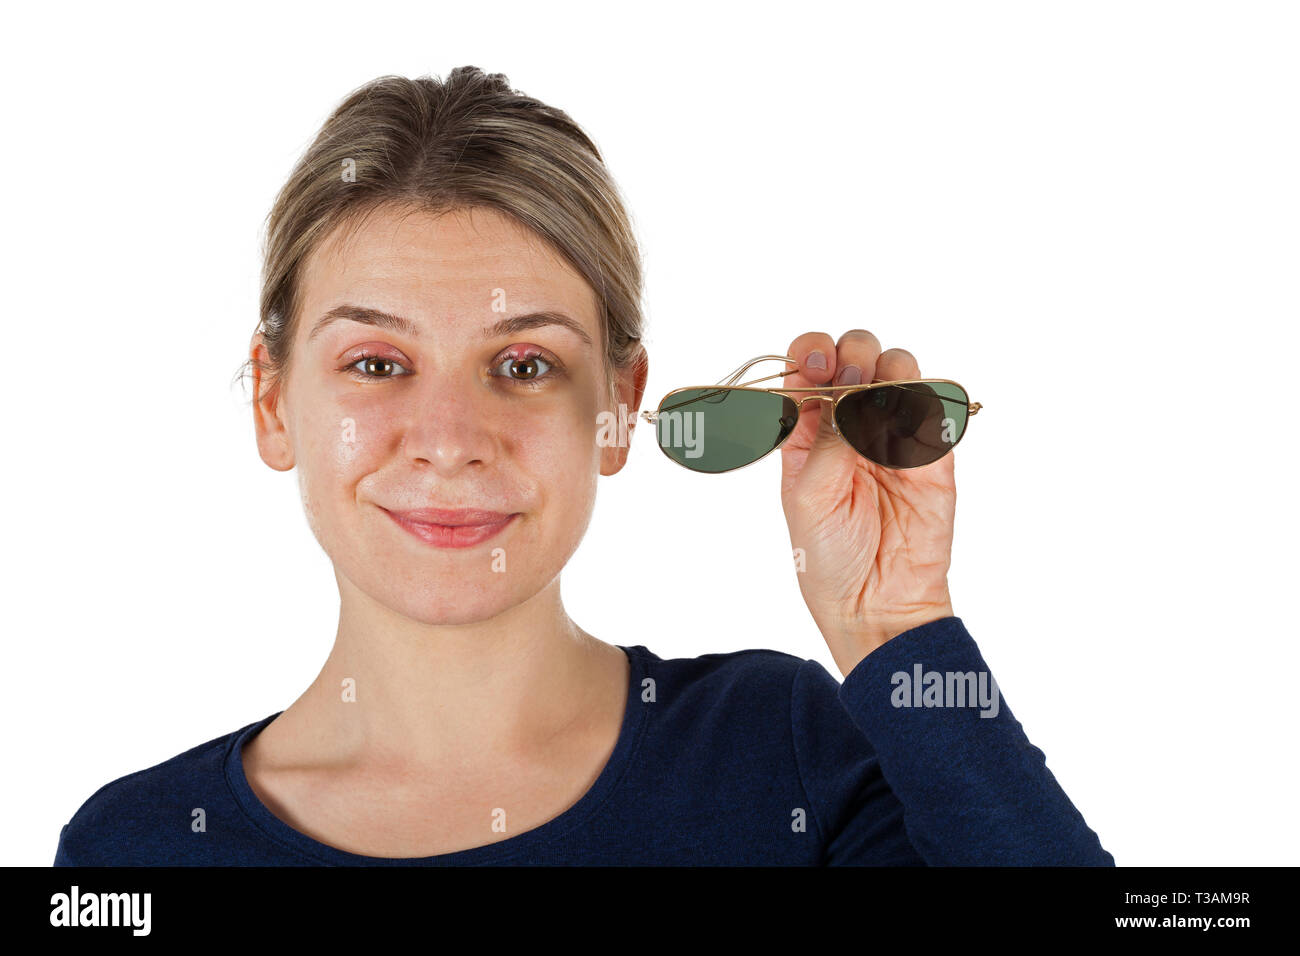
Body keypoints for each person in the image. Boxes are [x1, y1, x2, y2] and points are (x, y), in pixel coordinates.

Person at [53, 66, 1112, 866]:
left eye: (523, 362)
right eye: (376, 360)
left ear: (619, 406)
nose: (450, 434)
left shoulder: (778, 747)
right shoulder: (132, 849)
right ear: (275, 400)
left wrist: (898, 620)